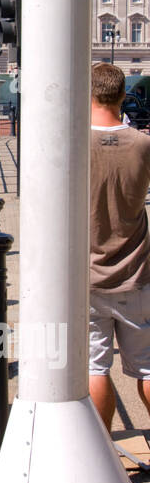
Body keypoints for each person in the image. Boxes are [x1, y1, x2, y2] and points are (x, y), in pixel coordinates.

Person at [88, 62, 150, 432]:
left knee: (96, 367)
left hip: (89, 274)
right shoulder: (142, 144)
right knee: (146, 366)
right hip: (136, 272)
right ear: (123, 96)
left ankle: (102, 449)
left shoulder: (76, 143)